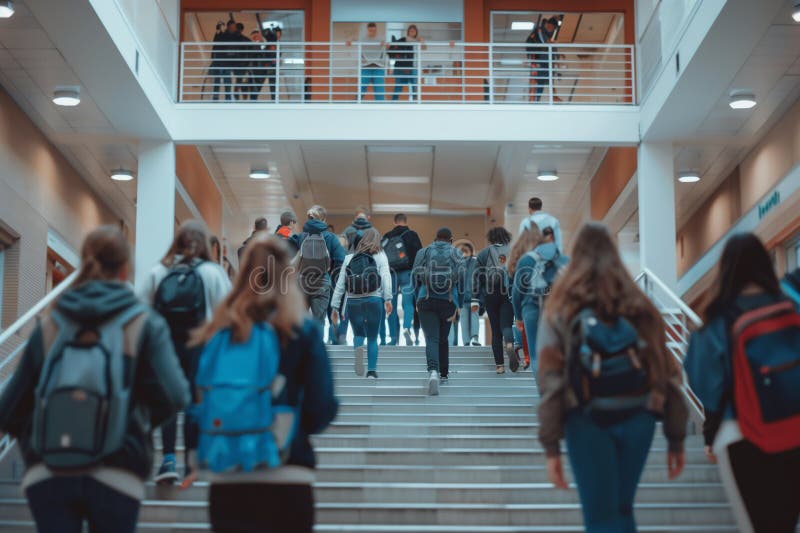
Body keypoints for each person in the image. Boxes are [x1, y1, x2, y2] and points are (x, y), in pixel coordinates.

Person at [0, 225, 189, 533]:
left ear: (84, 263)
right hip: (117, 469)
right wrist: (134, 422)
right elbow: (176, 395)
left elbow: (9, 408)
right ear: (126, 268)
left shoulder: (50, 326)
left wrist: (41, 442)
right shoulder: (145, 325)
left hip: (49, 473)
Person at [537, 222, 687, 533]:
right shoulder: (639, 305)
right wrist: (676, 435)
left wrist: (551, 445)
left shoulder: (561, 308)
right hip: (639, 414)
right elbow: (666, 370)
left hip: (586, 418)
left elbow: (550, 381)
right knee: (622, 508)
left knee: (600, 517)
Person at [188, 234, 338, 533]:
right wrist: (288, 426)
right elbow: (321, 407)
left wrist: (193, 454)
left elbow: (197, 401)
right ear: (288, 275)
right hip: (287, 473)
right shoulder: (303, 331)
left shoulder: (215, 333)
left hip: (228, 475)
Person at [685, 233, 800, 533]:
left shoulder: (718, 318)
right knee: (786, 522)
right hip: (794, 426)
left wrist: (711, 432)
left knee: (758, 524)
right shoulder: (791, 306)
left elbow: (704, 383)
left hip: (741, 433)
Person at [137, 220, 232, 484]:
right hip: (200, 345)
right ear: (204, 244)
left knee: (169, 400)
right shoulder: (212, 272)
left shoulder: (159, 271)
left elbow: (140, 312)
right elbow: (226, 316)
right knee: (194, 400)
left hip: (164, 346)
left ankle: (168, 459)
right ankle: (191, 460)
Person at [331, 228, 393, 379]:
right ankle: (371, 371)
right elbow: (386, 278)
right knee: (372, 337)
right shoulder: (380, 256)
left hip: (353, 301)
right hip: (374, 299)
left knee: (358, 333)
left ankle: (358, 350)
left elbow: (340, 283)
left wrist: (334, 306)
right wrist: (388, 299)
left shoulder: (349, 257)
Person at [413, 227, 465, 395]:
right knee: (443, 338)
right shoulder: (456, 253)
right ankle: (444, 374)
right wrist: (460, 304)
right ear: (451, 240)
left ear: (435, 238)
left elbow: (414, 276)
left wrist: (417, 298)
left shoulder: (424, 251)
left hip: (425, 299)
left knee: (431, 338)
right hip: (448, 301)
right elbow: (462, 281)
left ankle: (433, 371)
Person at [511, 222, 567, 374]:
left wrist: (518, 317)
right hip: (558, 309)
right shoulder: (565, 261)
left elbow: (517, 292)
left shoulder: (526, 260)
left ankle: (542, 392)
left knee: (536, 355)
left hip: (532, 308)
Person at [289, 205, 346, 326]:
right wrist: (331, 272)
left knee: (301, 320)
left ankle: (302, 344)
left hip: (303, 281)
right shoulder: (330, 237)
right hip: (322, 282)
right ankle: (317, 344)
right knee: (319, 321)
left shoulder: (302, 236)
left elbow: (287, 252)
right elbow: (341, 260)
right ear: (324, 219)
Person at [473, 227, 517, 373]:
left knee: (495, 331)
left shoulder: (484, 253)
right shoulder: (512, 252)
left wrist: (475, 298)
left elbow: (476, 276)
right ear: (506, 237)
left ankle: (499, 366)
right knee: (506, 325)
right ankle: (510, 344)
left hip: (490, 294)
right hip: (507, 294)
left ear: (491, 238)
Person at [381, 213, 423, 346]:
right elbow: (419, 255)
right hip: (407, 273)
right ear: (406, 221)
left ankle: (393, 338)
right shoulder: (412, 235)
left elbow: (380, 254)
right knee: (408, 303)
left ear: (394, 222)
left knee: (390, 304)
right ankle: (406, 328)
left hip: (391, 274)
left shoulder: (387, 236)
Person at [450, 242, 480, 346]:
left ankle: (470, 340)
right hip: (468, 296)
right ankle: (470, 340)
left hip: (467, 296)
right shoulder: (472, 262)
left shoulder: (460, 263)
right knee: (468, 318)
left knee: (469, 317)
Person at [389, 25, 425, 101]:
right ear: (408, 32)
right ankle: (393, 102)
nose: (412, 32)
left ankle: (416, 102)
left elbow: (424, 48)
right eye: (410, 30)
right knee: (398, 87)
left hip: (413, 67)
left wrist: (422, 42)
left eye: (414, 30)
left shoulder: (418, 42)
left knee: (415, 86)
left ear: (416, 32)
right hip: (402, 68)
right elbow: (394, 47)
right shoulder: (403, 39)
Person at [525, 17, 557, 102]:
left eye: (552, 29)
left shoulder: (545, 32)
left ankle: (537, 100)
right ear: (547, 24)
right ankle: (533, 100)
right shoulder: (539, 30)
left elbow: (546, 44)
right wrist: (550, 43)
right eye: (550, 27)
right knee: (537, 78)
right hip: (537, 58)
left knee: (542, 79)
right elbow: (544, 43)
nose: (551, 30)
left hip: (541, 59)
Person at [359, 23, 386, 101]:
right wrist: (350, 41)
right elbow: (354, 40)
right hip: (365, 67)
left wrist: (386, 45)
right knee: (361, 88)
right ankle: (356, 106)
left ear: (376, 30)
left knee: (379, 91)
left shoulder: (381, 39)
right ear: (367, 30)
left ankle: (380, 109)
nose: (372, 32)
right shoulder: (363, 39)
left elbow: (387, 46)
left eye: (374, 30)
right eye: (370, 30)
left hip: (378, 68)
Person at [212, 20, 238, 101]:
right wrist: (218, 30)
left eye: (234, 27)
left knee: (226, 84)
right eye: (233, 27)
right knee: (220, 84)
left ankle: (225, 100)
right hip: (221, 63)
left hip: (225, 63)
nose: (234, 29)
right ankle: (221, 100)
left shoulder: (230, 35)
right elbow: (216, 42)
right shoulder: (224, 35)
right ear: (229, 27)